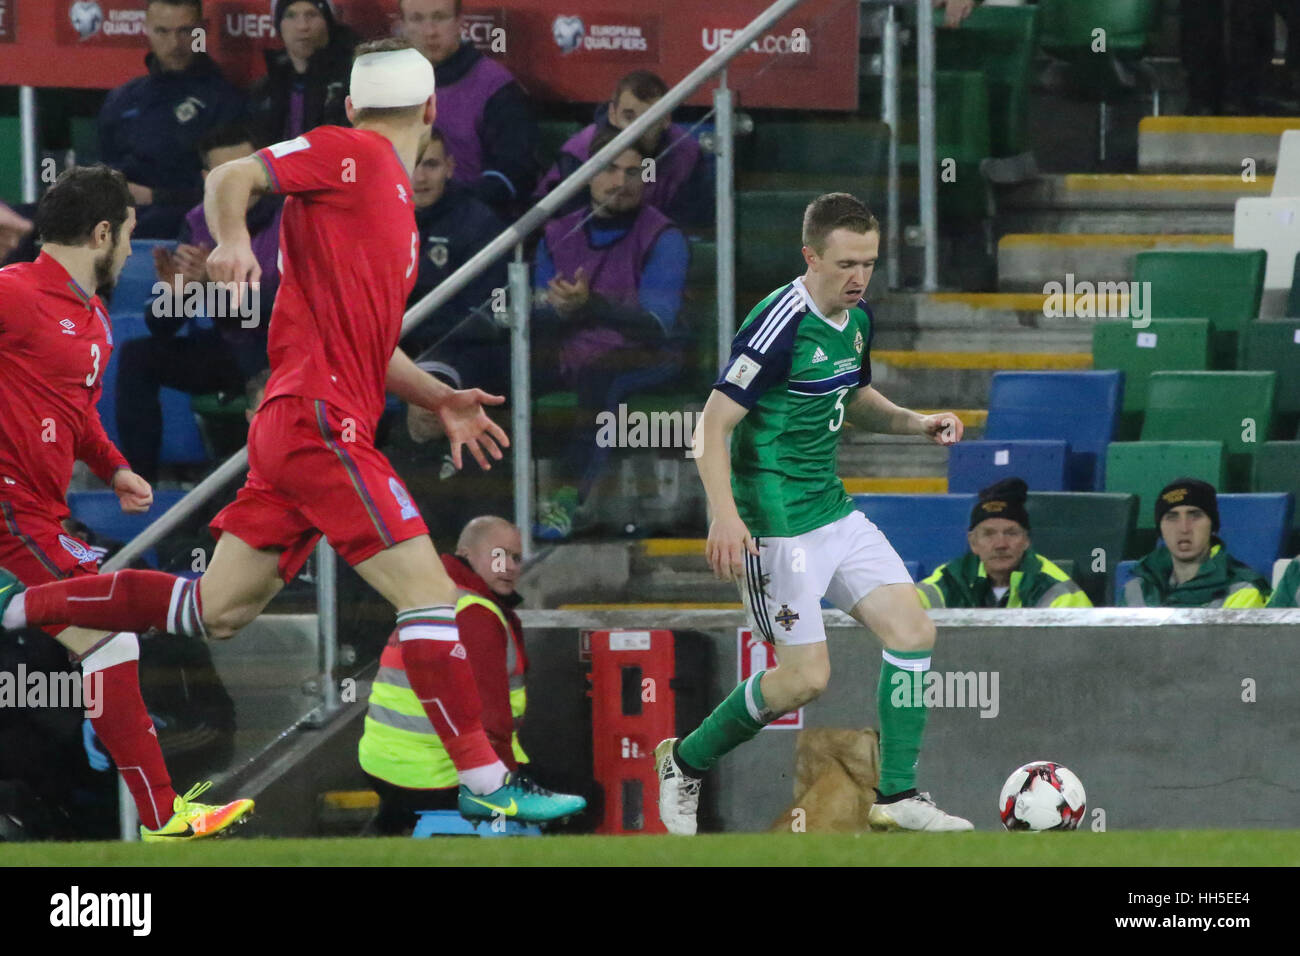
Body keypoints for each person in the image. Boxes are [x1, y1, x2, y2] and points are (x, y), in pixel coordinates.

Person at [0, 40, 583, 825]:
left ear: (350, 101)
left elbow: (368, 343)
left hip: (302, 422)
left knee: (217, 609)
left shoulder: (383, 200)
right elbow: (229, 176)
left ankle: (15, 607)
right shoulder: (357, 155)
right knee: (430, 594)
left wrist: (435, 398)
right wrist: (235, 240)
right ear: (432, 110)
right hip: (320, 424)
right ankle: (488, 782)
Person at [655, 192, 972, 834]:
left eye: (870, 263)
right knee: (804, 680)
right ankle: (684, 761)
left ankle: (897, 794)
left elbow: (851, 395)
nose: (859, 277)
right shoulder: (779, 322)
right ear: (810, 256)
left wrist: (916, 423)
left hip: (832, 510)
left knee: (913, 631)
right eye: (846, 263)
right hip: (773, 526)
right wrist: (724, 515)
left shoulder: (857, 320)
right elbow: (711, 426)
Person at [0, 164, 253, 841]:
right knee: (112, 608)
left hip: (41, 513)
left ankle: (166, 818)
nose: (133, 247)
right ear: (104, 231)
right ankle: (21, 603)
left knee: (109, 645)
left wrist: (114, 469)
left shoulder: (94, 315)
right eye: (131, 232)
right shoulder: (16, 292)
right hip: (6, 514)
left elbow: (75, 414)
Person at [359, 516, 580, 832]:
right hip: (436, 777)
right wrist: (506, 783)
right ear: (466, 555)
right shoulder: (475, 613)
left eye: (517, 558)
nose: (511, 567)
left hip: (383, 768)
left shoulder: (431, 600)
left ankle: (388, 828)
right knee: (584, 796)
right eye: (499, 555)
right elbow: (490, 721)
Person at [116, 124, 281, 485]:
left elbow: (274, 314)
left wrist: (213, 288)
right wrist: (178, 294)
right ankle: (139, 485)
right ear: (209, 179)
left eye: (247, 168)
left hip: (283, 353)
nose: (242, 182)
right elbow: (160, 325)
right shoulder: (197, 222)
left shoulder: (293, 217)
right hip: (229, 352)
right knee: (136, 355)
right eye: (228, 174)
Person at [97, 0, 248, 238]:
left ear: (202, 30)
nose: (175, 43)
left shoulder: (223, 100)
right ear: (146, 28)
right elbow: (102, 164)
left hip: (175, 215)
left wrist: (154, 196)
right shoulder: (123, 98)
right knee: (32, 219)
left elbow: (230, 187)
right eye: (162, 31)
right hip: (115, 207)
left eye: (185, 31)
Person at [400, 0, 539, 214]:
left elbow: (515, 172)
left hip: (468, 222)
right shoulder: (385, 85)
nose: (429, 31)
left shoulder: (495, 87)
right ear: (402, 25)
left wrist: (452, 208)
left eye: (439, 17)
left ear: (459, 22)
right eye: (417, 19)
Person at [535, 71, 711, 227]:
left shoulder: (686, 153)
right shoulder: (581, 151)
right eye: (629, 117)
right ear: (613, 114)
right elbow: (568, 224)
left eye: (650, 118)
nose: (637, 128)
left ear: (666, 120)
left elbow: (691, 221)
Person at [399, 129, 506, 359]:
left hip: (455, 351)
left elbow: (488, 312)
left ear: (449, 167)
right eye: (410, 164)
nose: (419, 178)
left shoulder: (479, 224)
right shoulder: (373, 219)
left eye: (431, 165)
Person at [915, 477, 1092, 609]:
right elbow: (903, 606)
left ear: (1026, 541)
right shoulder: (952, 579)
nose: (1000, 544)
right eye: (988, 534)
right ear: (973, 543)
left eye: (1011, 533)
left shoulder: (1054, 589)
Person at [1122, 478, 1270, 608]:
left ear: (1213, 526)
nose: (1184, 528)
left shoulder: (1243, 589)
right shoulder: (1137, 589)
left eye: (1195, 516)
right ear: (1160, 529)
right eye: (1172, 517)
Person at [249, 0, 358, 144]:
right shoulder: (265, 89)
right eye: (291, 15)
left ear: (328, 23)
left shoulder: (351, 85)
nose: (302, 26)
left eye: (312, 15)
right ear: (278, 26)